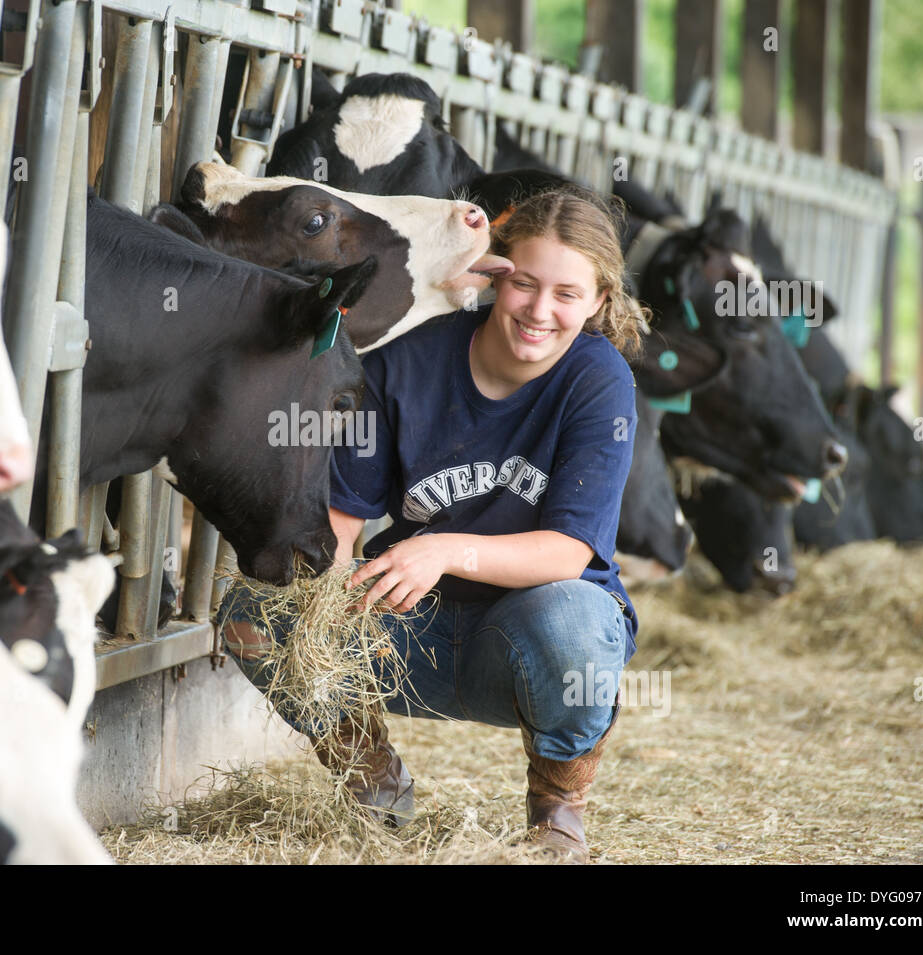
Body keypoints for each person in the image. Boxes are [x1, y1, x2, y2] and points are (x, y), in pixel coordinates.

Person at [216, 183, 642, 864]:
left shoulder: (598, 380)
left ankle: (557, 811)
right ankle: (375, 784)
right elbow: (342, 519)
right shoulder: (408, 359)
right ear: (493, 274)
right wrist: (316, 607)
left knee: (574, 623)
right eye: (524, 284)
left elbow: (567, 551)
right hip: (410, 629)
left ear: (598, 301)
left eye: (567, 294)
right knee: (252, 612)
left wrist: (441, 548)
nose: (539, 311)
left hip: (531, 643)